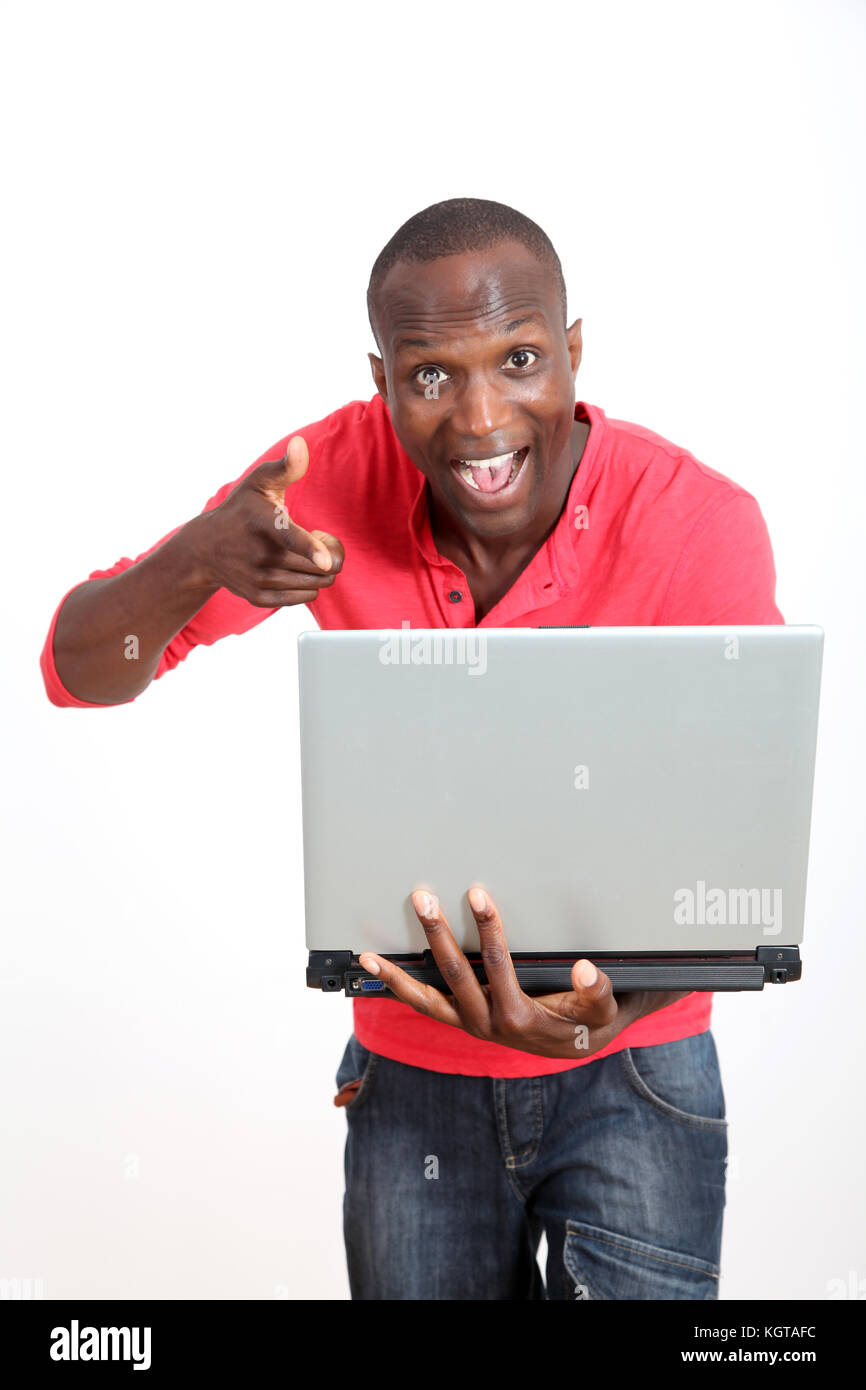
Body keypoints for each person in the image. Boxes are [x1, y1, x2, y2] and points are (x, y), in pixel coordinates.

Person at [41, 197, 782, 1300]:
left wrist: (594, 1020)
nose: (479, 418)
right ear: (382, 379)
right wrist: (198, 556)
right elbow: (78, 670)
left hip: (636, 1069)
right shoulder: (324, 478)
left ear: (572, 354)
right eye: (429, 375)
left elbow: (740, 858)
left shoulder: (697, 521)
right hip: (411, 1083)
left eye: (520, 359)